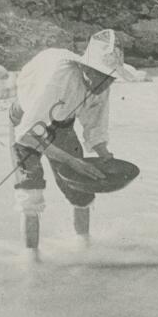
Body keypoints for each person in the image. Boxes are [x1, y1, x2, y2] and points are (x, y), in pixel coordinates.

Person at [10, 29, 135, 255]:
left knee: (82, 189)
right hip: (26, 118)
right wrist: (72, 161)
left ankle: (84, 249)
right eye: (100, 75)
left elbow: (95, 125)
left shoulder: (103, 84)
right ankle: (31, 260)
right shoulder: (59, 78)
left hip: (62, 124)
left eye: (110, 78)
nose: (104, 83)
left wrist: (104, 154)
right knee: (31, 193)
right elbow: (29, 133)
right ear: (85, 68)